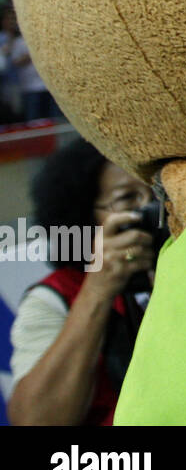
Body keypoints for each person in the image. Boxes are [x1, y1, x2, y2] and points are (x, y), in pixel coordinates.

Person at [7, 139, 157, 425]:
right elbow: (35, 421)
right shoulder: (54, 297)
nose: (149, 208)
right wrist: (99, 288)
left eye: (157, 194)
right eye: (128, 199)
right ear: (85, 218)